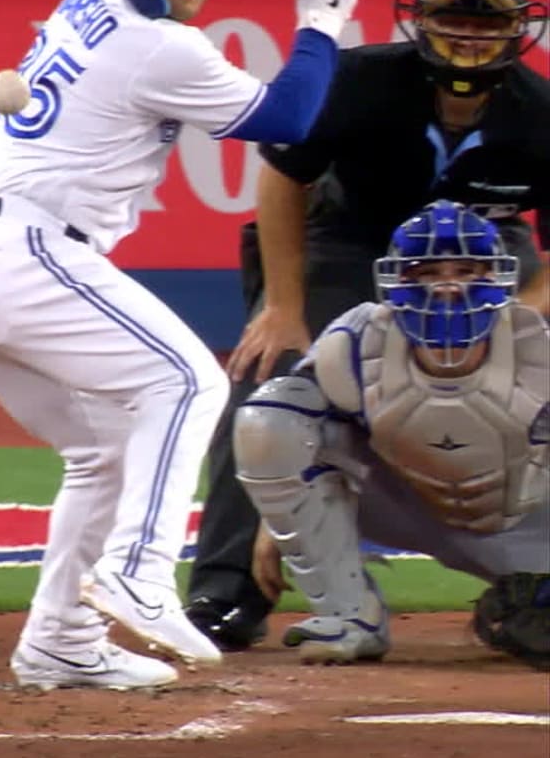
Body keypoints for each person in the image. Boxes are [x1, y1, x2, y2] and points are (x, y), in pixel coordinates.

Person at [0, 0, 356, 690]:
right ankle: (139, 572)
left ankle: (61, 639)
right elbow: (288, 119)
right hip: (26, 251)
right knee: (189, 384)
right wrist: (320, 20)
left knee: (108, 451)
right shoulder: (159, 49)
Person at [186, 0, 550, 652]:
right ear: (422, 20)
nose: (470, 33)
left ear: (517, 29)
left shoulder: (542, 115)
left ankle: (534, 573)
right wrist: (285, 308)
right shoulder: (359, 78)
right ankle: (226, 590)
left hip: (483, 258)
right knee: (270, 378)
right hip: (350, 239)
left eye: (488, 20)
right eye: (454, 16)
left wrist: (524, 323)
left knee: (534, 378)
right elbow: (282, 179)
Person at [233, 200, 550, 668]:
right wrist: (273, 523)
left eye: (466, 270)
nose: (447, 287)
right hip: (405, 504)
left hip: (521, 521)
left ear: (498, 278)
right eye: (427, 272)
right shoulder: (359, 339)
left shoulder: (538, 344)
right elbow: (283, 436)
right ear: (397, 280)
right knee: (270, 416)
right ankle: (349, 616)